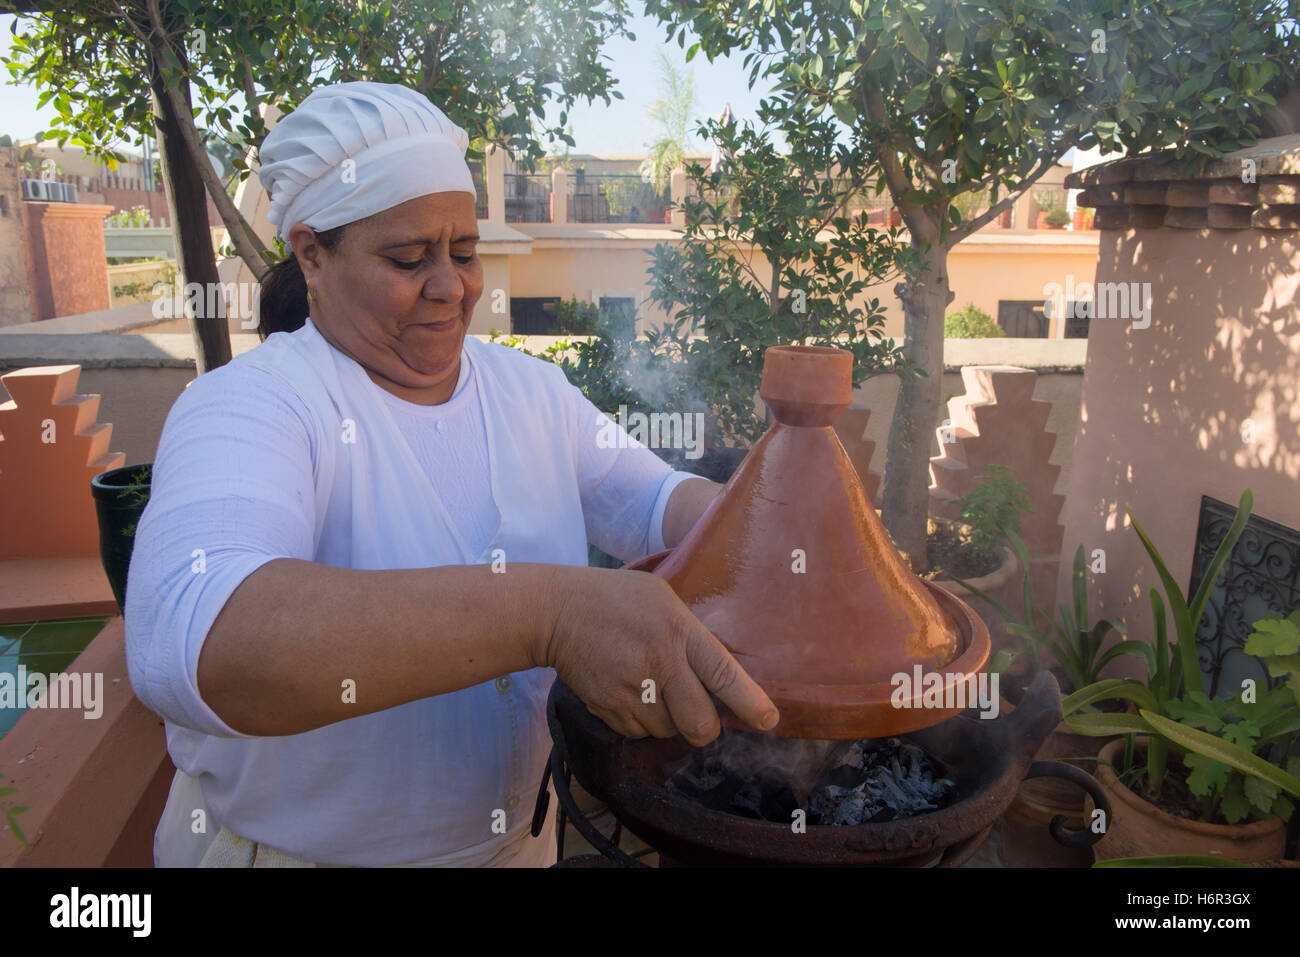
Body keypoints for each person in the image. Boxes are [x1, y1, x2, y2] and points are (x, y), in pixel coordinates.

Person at [124, 81, 778, 868]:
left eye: (464, 253)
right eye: (407, 258)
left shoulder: (528, 391)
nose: (452, 286)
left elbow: (655, 501)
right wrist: (551, 613)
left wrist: (776, 528)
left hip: (521, 847)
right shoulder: (252, 406)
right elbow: (199, 637)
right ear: (311, 254)